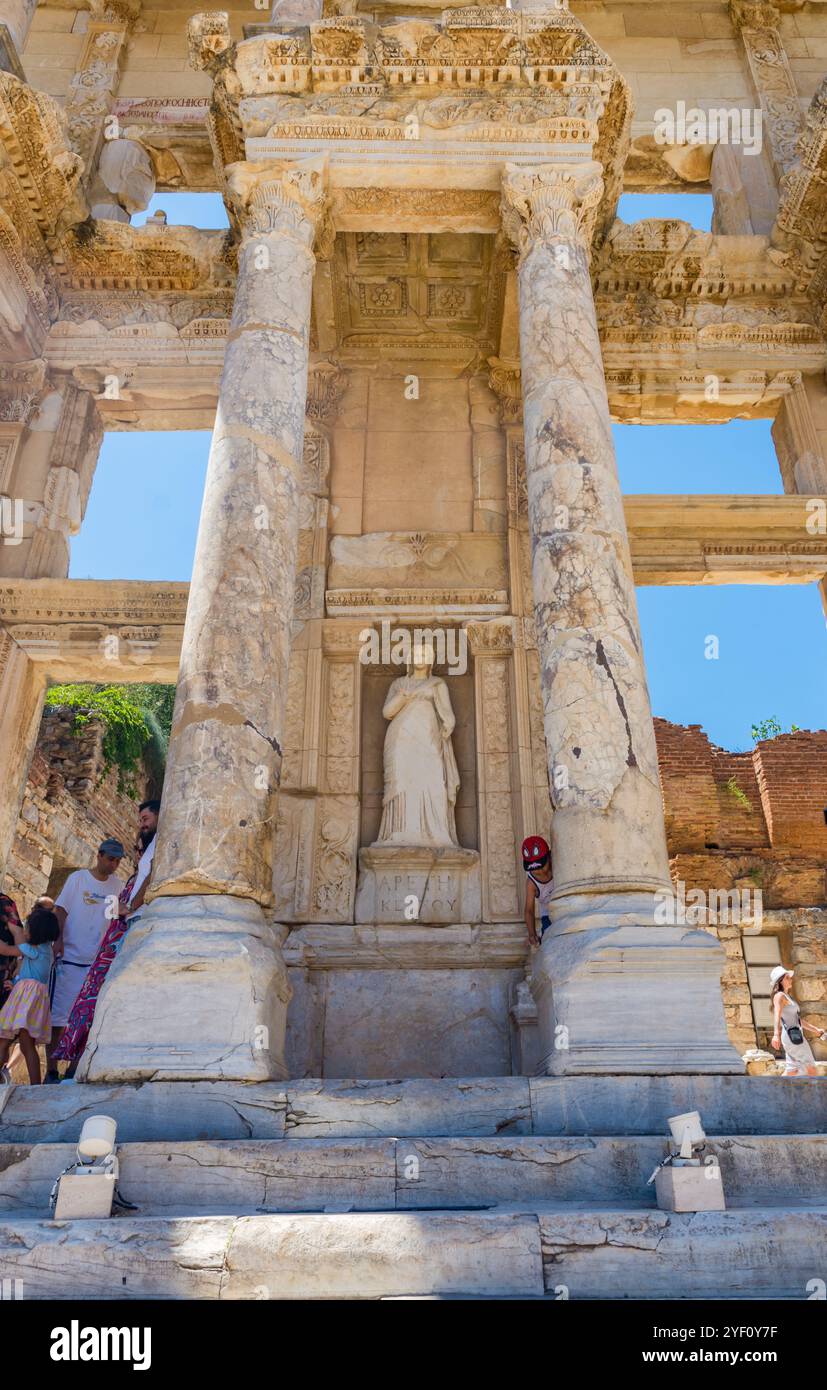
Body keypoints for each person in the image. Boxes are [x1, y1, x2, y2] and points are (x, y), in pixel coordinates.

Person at [45, 839, 125, 1083]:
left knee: (86, 1022)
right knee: (58, 1020)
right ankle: (51, 1071)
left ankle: (73, 1071)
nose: (113, 864)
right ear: (99, 855)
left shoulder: (118, 887)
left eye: (117, 860)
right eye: (110, 858)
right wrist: (57, 941)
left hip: (96, 965)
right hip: (69, 959)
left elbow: (114, 921)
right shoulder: (78, 879)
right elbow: (61, 911)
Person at [0, 907, 60, 1085]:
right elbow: (32, 972)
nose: (24, 930)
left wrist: (13, 930)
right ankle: (35, 1086)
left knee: (3, 1038)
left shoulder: (33, 949)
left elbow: (6, 950)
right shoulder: (46, 950)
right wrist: (16, 981)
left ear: (36, 932)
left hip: (25, 997)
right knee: (27, 1044)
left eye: (27, 927)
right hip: (31, 996)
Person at [769, 966, 826, 1078]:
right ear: (780, 981)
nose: (791, 979)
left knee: (792, 1071)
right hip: (792, 1037)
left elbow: (798, 1020)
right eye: (787, 977)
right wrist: (776, 1034)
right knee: (811, 1068)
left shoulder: (789, 997)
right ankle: (815, 1094)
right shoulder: (779, 996)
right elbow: (777, 1014)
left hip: (795, 1036)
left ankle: (775, 1092)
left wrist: (816, 1030)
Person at [522, 835, 554, 947]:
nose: (539, 871)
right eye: (535, 870)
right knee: (549, 940)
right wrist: (532, 935)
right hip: (548, 915)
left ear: (550, 857)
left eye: (541, 867)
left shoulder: (557, 866)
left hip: (565, 907)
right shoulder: (531, 883)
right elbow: (529, 911)